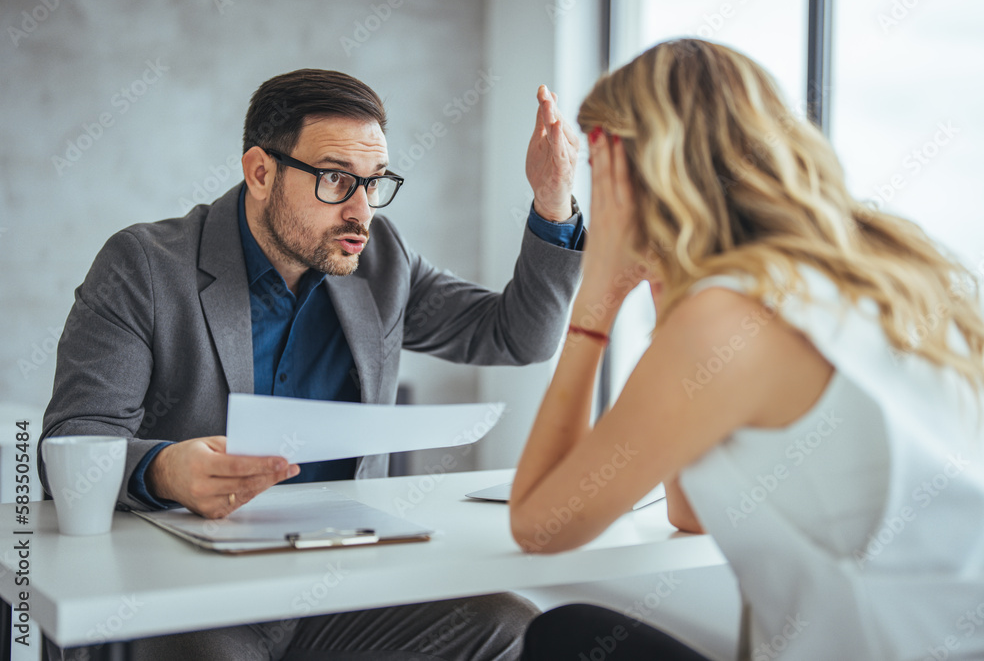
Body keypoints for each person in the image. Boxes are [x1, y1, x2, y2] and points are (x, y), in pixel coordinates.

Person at [39, 68, 584, 660]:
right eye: (335, 178)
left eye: (374, 183)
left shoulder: (380, 261)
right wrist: (166, 470)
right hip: (193, 591)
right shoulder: (144, 266)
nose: (361, 212)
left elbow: (518, 335)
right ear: (261, 171)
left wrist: (552, 200)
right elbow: (71, 442)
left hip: (341, 588)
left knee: (511, 624)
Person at [509, 39, 984, 660]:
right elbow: (693, 512)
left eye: (601, 175)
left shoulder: (729, 319)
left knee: (564, 637)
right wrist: (666, 280)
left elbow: (538, 525)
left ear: (635, 174)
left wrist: (596, 304)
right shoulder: (891, 264)